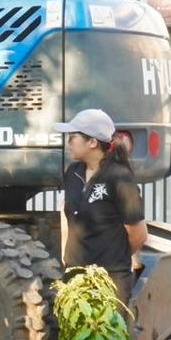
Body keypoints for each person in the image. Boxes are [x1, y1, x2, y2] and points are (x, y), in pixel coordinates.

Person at [54, 109, 147, 305]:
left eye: (73, 136)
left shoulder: (119, 177)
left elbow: (138, 233)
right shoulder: (73, 172)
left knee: (107, 334)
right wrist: (65, 250)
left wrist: (115, 256)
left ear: (93, 142)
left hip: (110, 280)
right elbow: (66, 211)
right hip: (75, 275)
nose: (68, 142)